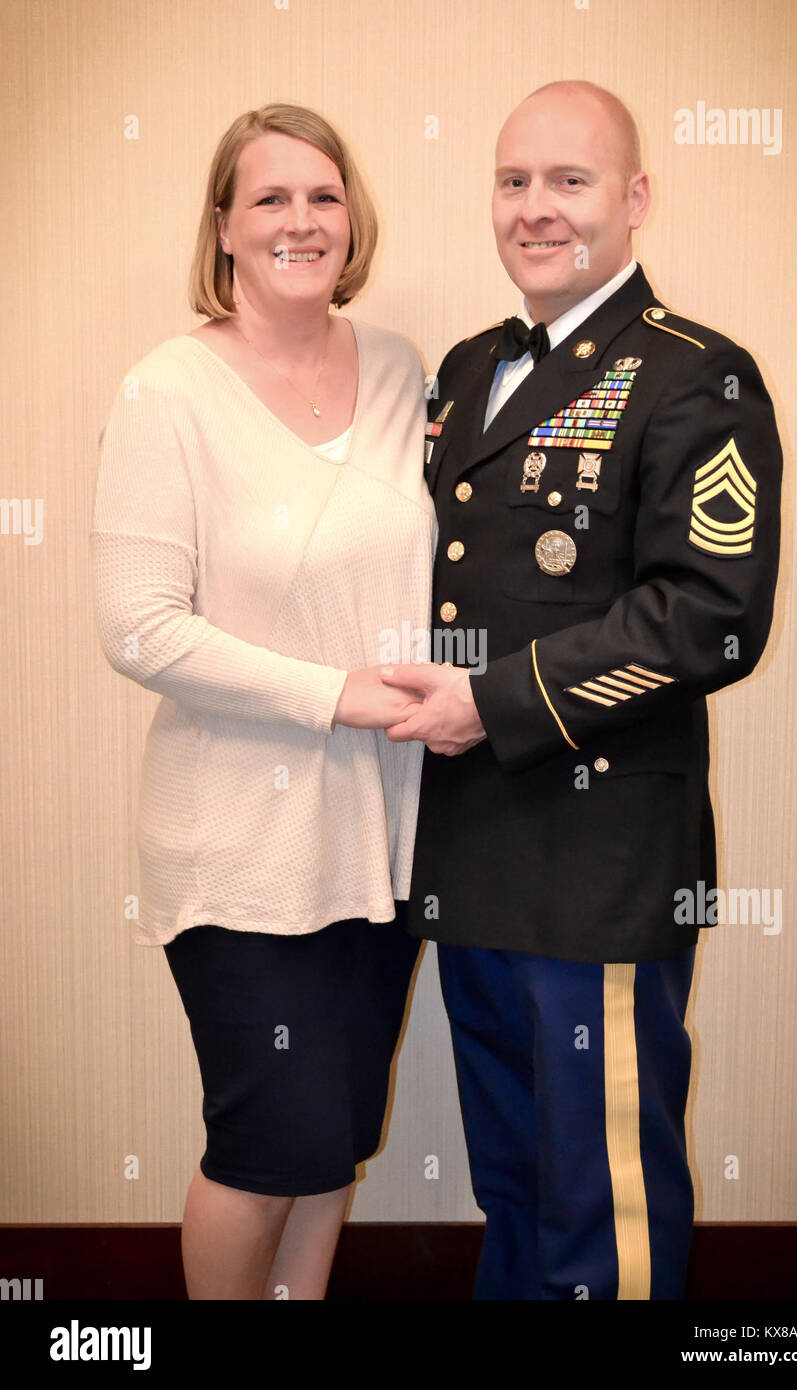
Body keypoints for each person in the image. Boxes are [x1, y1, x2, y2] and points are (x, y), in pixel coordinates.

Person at [382, 80, 783, 1299]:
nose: (535, 208)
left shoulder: (694, 375)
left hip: (598, 861)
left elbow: (709, 616)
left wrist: (491, 704)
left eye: (569, 180)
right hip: (471, 846)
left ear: (634, 197)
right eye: (513, 181)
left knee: (599, 1202)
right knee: (512, 1183)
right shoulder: (468, 368)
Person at [90, 103, 435, 1300]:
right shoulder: (169, 390)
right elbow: (138, 625)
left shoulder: (399, 370)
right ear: (225, 226)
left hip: (382, 836)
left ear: (353, 218)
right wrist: (331, 693)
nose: (301, 219)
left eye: (323, 195)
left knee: (332, 1139)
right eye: (271, 197)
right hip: (241, 844)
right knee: (265, 1142)